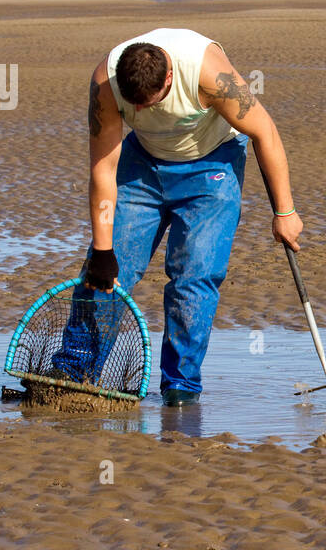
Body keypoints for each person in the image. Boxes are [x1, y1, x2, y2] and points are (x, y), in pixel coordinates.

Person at [54, 27, 302, 406]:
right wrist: (103, 251)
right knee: (105, 272)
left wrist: (284, 212)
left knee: (195, 276)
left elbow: (264, 132)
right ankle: (74, 372)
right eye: (133, 105)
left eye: (148, 103)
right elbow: (103, 170)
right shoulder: (106, 82)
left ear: (169, 78)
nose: (139, 112)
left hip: (213, 164)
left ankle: (180, 387)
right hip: (142, 164)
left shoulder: (208, 73)